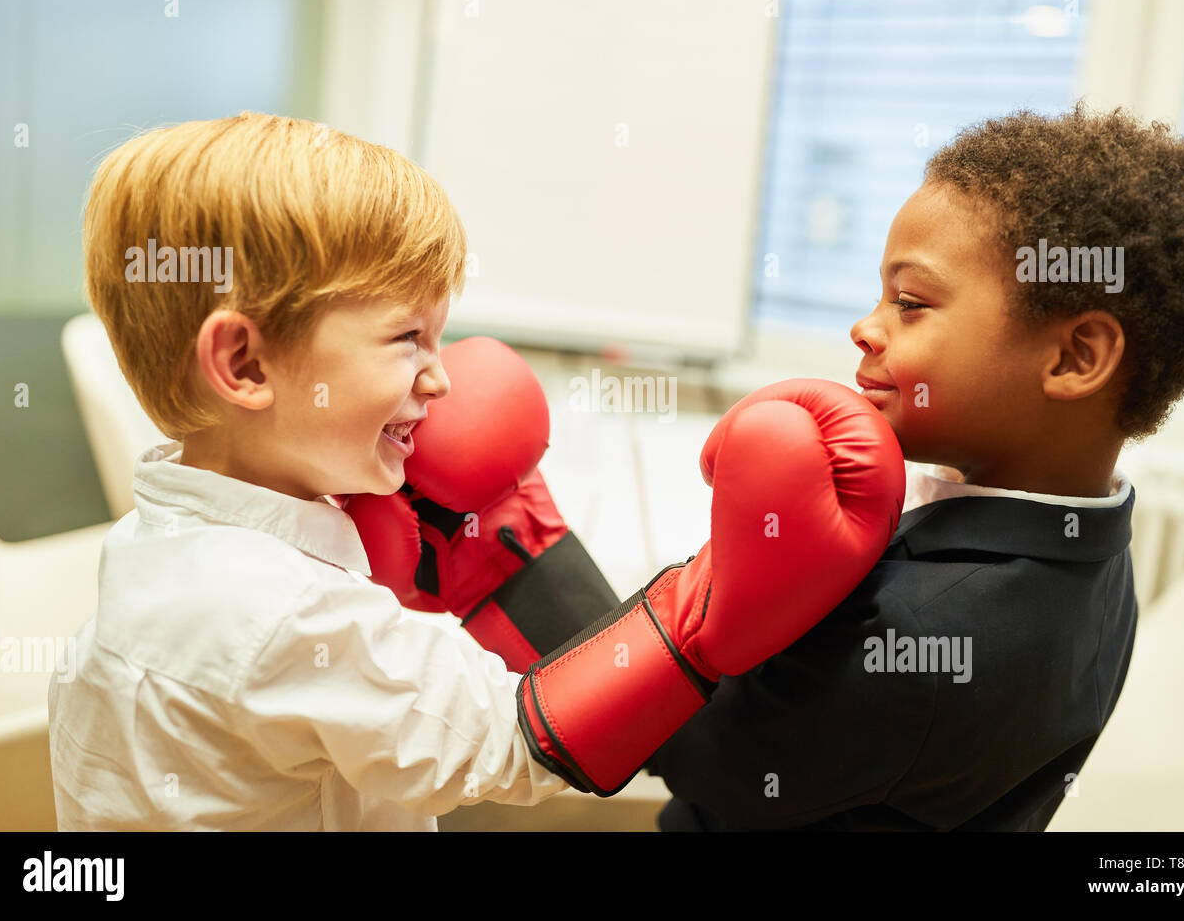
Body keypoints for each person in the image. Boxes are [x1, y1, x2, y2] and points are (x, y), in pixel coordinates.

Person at [47, 112, 905, 830]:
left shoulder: (155, 544)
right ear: (245, 364)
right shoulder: (284, 612)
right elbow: (512, 744)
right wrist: (711, 605)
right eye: (406, 338)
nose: (441, 377)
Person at [643, 102, 1184, 831]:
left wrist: (532, 541)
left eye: (909, 302)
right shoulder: (1095, 557)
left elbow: (685, 751)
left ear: (1074, 357)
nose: (866, 328)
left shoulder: (927, 635)